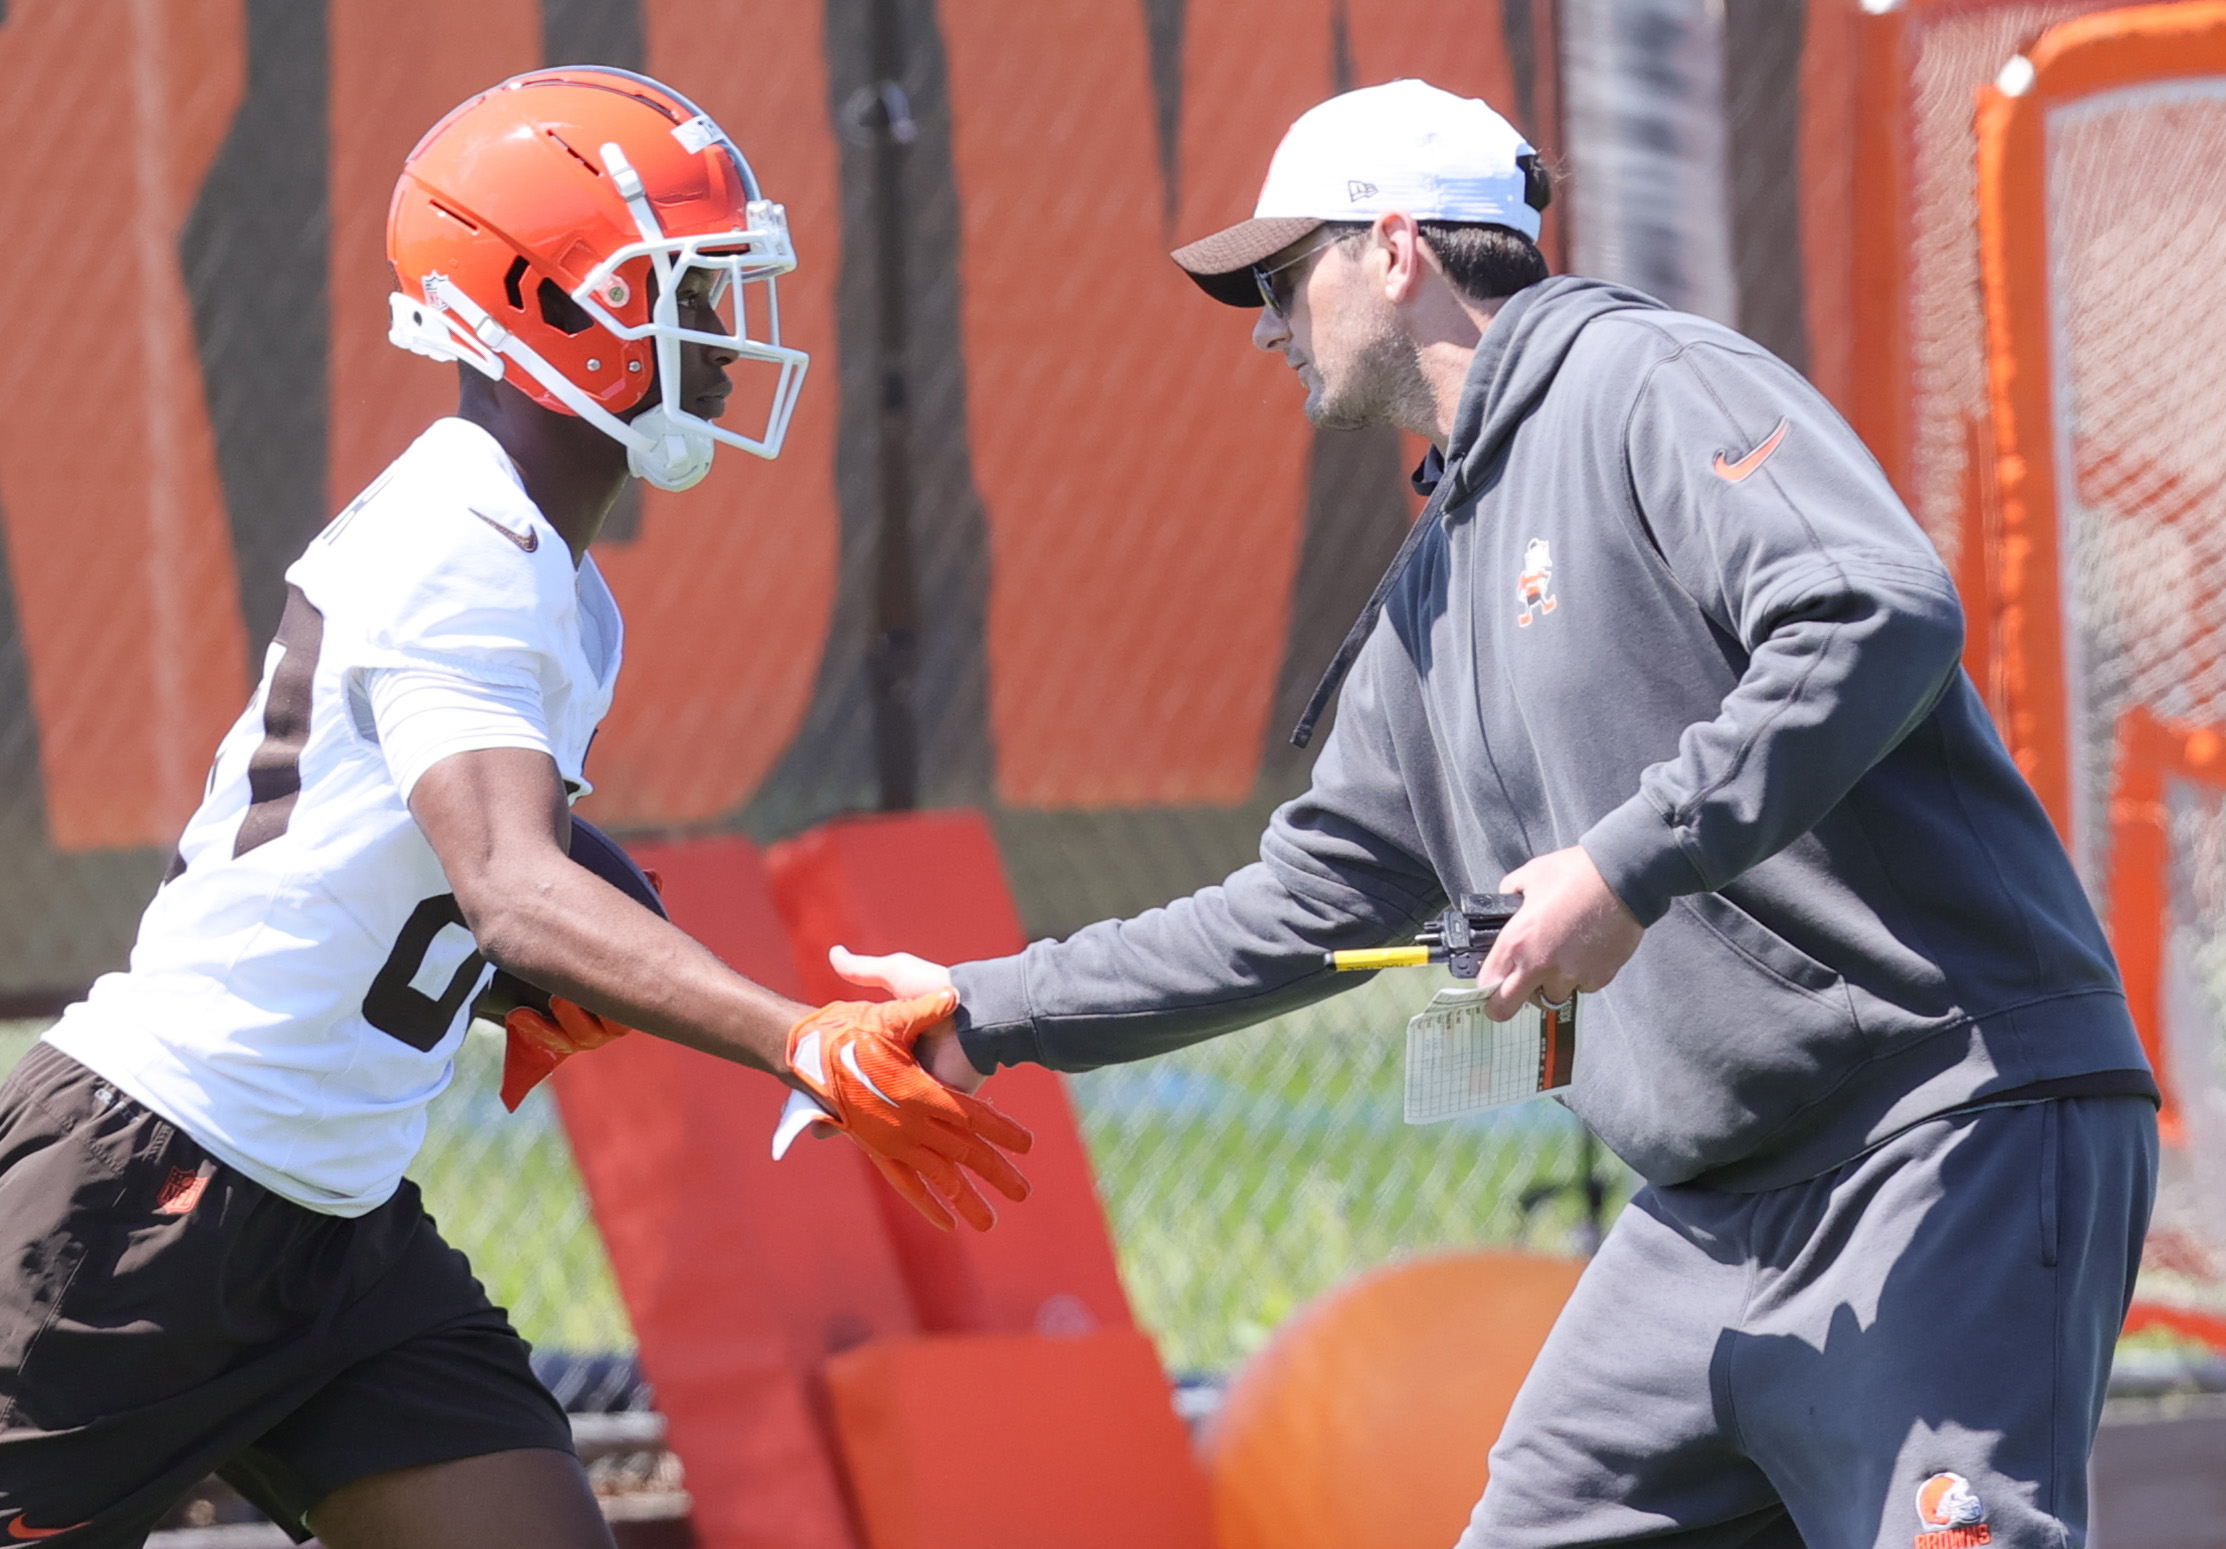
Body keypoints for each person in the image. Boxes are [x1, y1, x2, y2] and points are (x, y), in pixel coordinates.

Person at [844, 79, 2158, 1548]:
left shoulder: (1644, 381)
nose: (1266, 325)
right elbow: (1307, 902)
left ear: (1394, 248)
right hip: (1711, 1209)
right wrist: (985, 1008)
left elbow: (1873, 610)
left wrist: (1621, 866)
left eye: (1283, 278)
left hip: (1938, 1133)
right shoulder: (1437, 571)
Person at [0, 68, 1027, 1549]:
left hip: (331, 1225)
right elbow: (508, 882)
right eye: (683, 290)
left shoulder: (547, 565)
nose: (728, 338)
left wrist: (557, 953)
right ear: (543, 306)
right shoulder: (468, 541)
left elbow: (462, 862)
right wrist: (793, 1036)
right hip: (150, 1195)